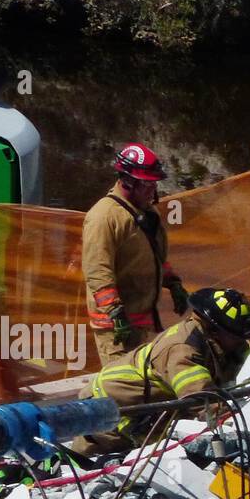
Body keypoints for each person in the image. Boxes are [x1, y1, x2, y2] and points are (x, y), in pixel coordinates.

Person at [74, 287, 250, 456]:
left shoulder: (218, 341)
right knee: (95, 466)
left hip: (149, 408)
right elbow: (203, 402)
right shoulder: (183, 350)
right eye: (236, 337)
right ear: (215, 330)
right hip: (113, 406)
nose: (240, 343)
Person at [82, 142, 189, 365]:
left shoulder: (147, 213)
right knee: (122, 386)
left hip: (144, 320)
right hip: (116, 328)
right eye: (146, 185)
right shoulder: (104, 217)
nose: (152, 191)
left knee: (147, 385)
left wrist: (173, 283)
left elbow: (154, 256)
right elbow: (97, 271)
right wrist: (114, 312)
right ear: (128, 181)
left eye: (154, 185)